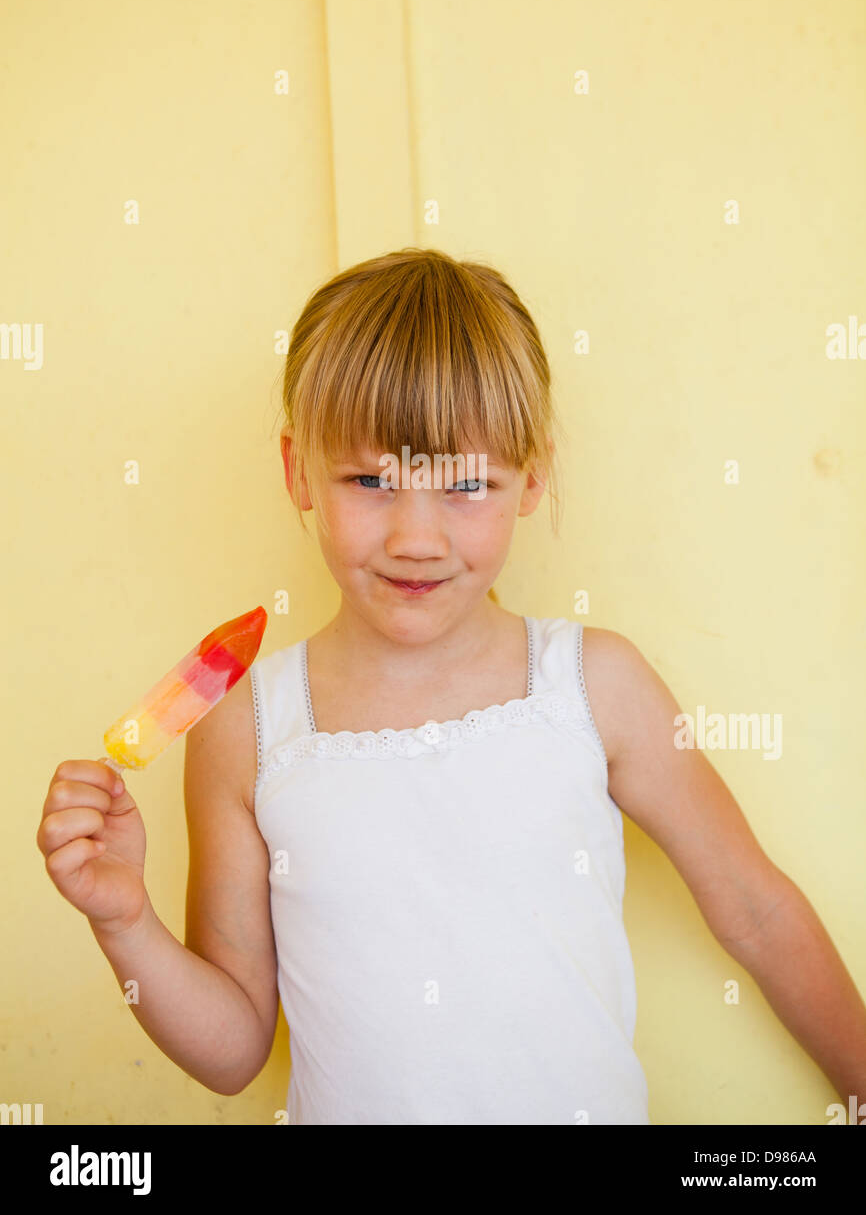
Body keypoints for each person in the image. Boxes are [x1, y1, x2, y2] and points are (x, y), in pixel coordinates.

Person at [38, 247, 866, 1124]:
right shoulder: (245, 729)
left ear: (532, 477)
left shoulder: (595, 686)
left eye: (467, 485)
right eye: (370, 481)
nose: (416, 537)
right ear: (297, 471)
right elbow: (236, 1049)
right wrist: (124, 921)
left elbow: (757, 911)